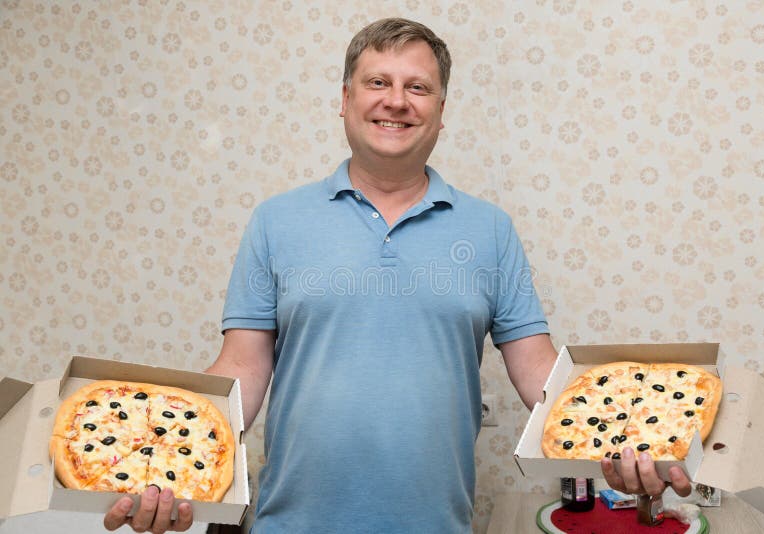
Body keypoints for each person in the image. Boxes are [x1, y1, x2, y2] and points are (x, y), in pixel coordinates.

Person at [103, 17, 690, 534]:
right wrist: (168, 466)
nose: (397, 101)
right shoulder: (275, 221)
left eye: (418, 87)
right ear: (344, 97)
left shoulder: (490, 229)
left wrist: (628, 438)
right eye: (378, 82)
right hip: (292, 525)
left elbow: (538, 367)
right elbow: (242, 367)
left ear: (440, 111)